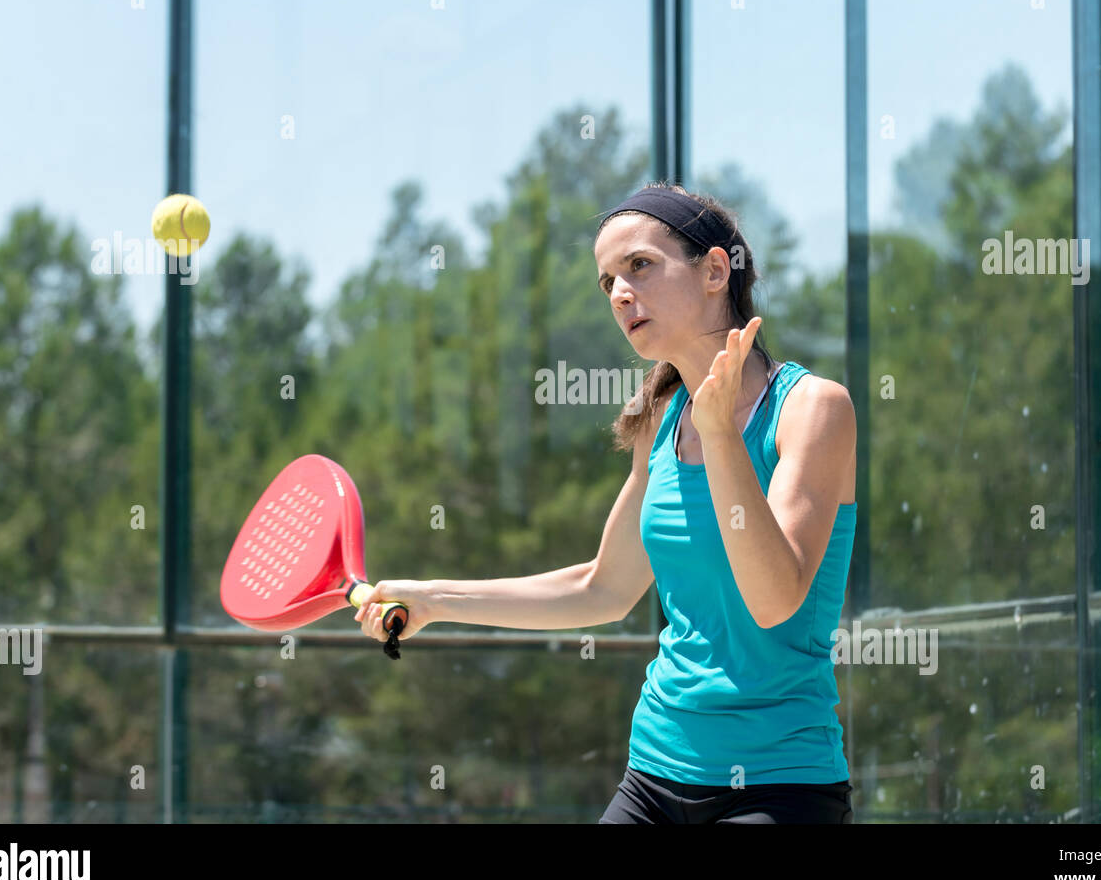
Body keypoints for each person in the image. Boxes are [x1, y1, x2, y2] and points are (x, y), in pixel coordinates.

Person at [356, 182, 858, 823]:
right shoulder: (660, 423)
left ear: (713, 269)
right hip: (654, 773)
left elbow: (774, 598)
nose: (621, 293)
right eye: (608, 282)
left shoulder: (813, 408)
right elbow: (601, 588)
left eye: (640, 266)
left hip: (781, 786)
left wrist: (723, 434)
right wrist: (434, 599)